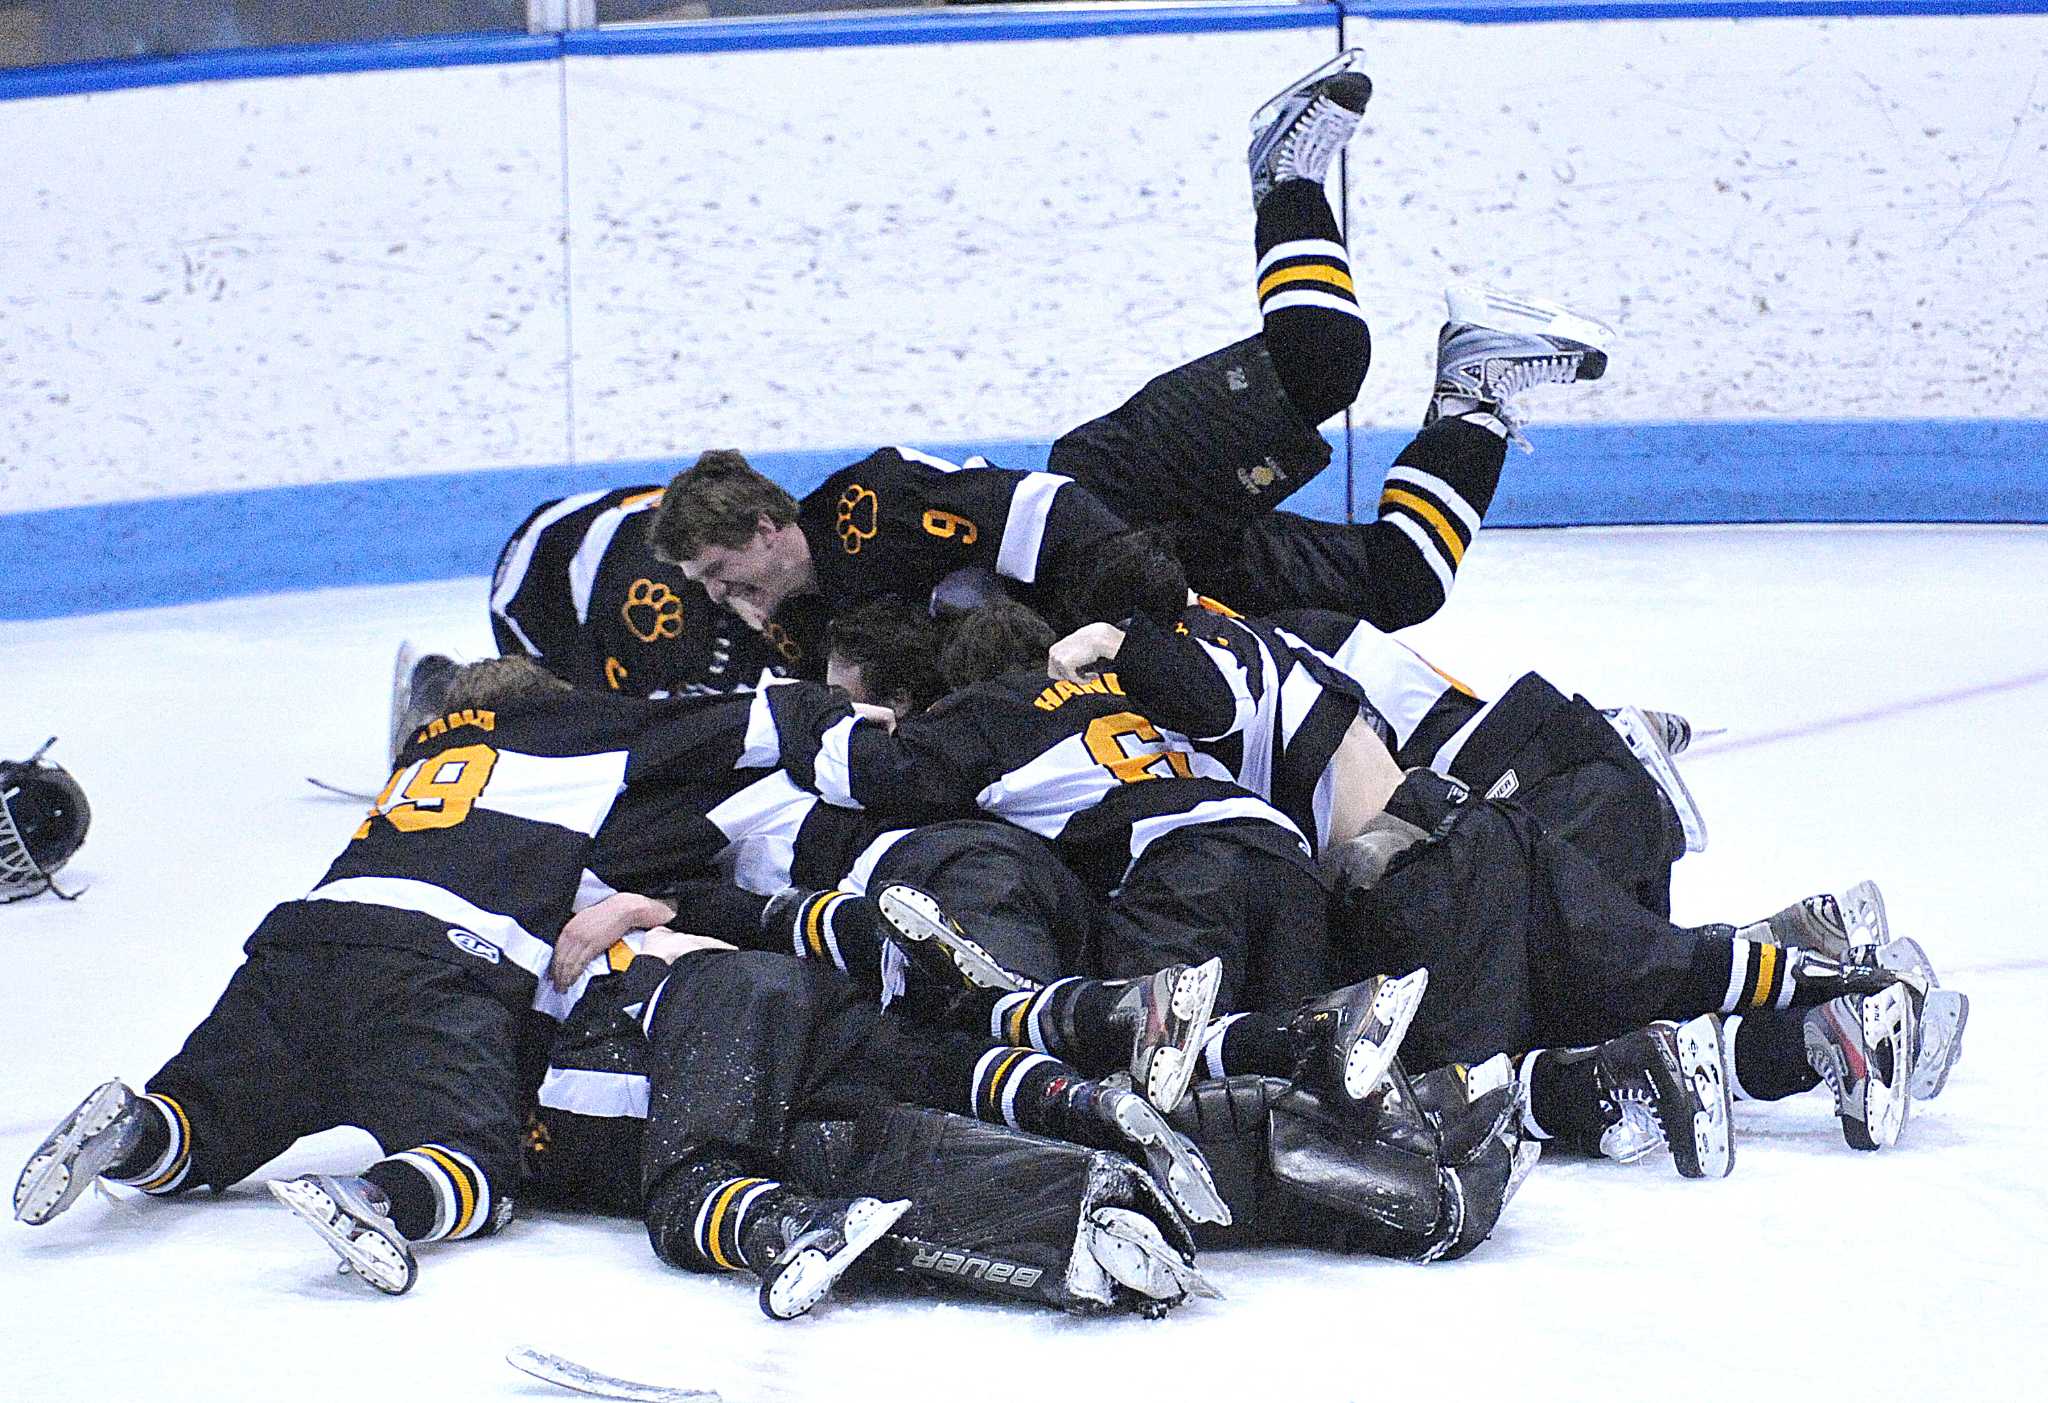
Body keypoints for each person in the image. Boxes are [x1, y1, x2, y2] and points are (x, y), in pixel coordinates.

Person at [647, 54, 1611, 659]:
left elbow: (1043, 509)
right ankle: (1477, 388)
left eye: (724, 570)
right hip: (1141, 586)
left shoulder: (869, 507)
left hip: (1119, 488)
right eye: (707, 589)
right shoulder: (802, 635)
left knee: (1323, 359)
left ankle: (1283, 174)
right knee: (1404, 584)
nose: (724, 598)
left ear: (769, 525)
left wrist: (1148, 597)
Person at [9, 657, 817, 1294]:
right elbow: (750, 721)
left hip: (301, 939)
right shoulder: (563, 729)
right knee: (478, 1154)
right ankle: (380, 1199)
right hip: (435, 961)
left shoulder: (422, 751)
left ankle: (136, 1128)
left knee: (206, 1122)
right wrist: (848, 719)